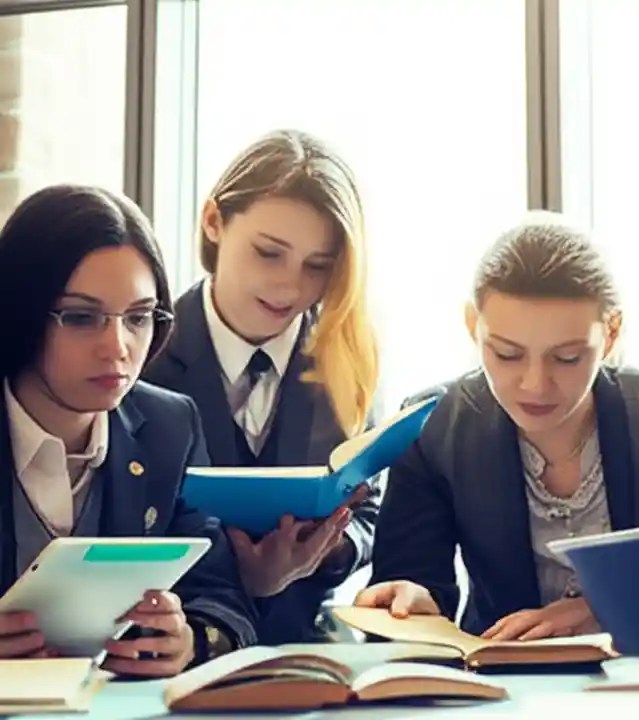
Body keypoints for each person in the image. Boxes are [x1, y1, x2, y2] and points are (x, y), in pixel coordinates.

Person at [356, 214, 639, 640]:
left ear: (610, 333)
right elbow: (412, 581)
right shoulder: (434, 425)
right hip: (502, 685)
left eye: (567, 358)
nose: (535, 384)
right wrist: (415, 604)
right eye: (507, 354)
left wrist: (606, 609)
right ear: (472, 325)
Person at [0, 185, 256, 673]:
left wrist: (191, 640)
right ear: (20, 310)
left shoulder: (169, 425)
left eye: (138, 317)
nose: (117, 346)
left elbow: (222, 596)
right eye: (80, 317)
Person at [144, 130, 380, 644]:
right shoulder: (141, 352)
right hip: (174, 654)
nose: (289, 286)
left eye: (318, 266)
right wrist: (240, 578)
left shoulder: (345, 353)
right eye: (269, 253)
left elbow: (370, 511)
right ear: (214, 221)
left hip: (309, 652)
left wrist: (330, 547)